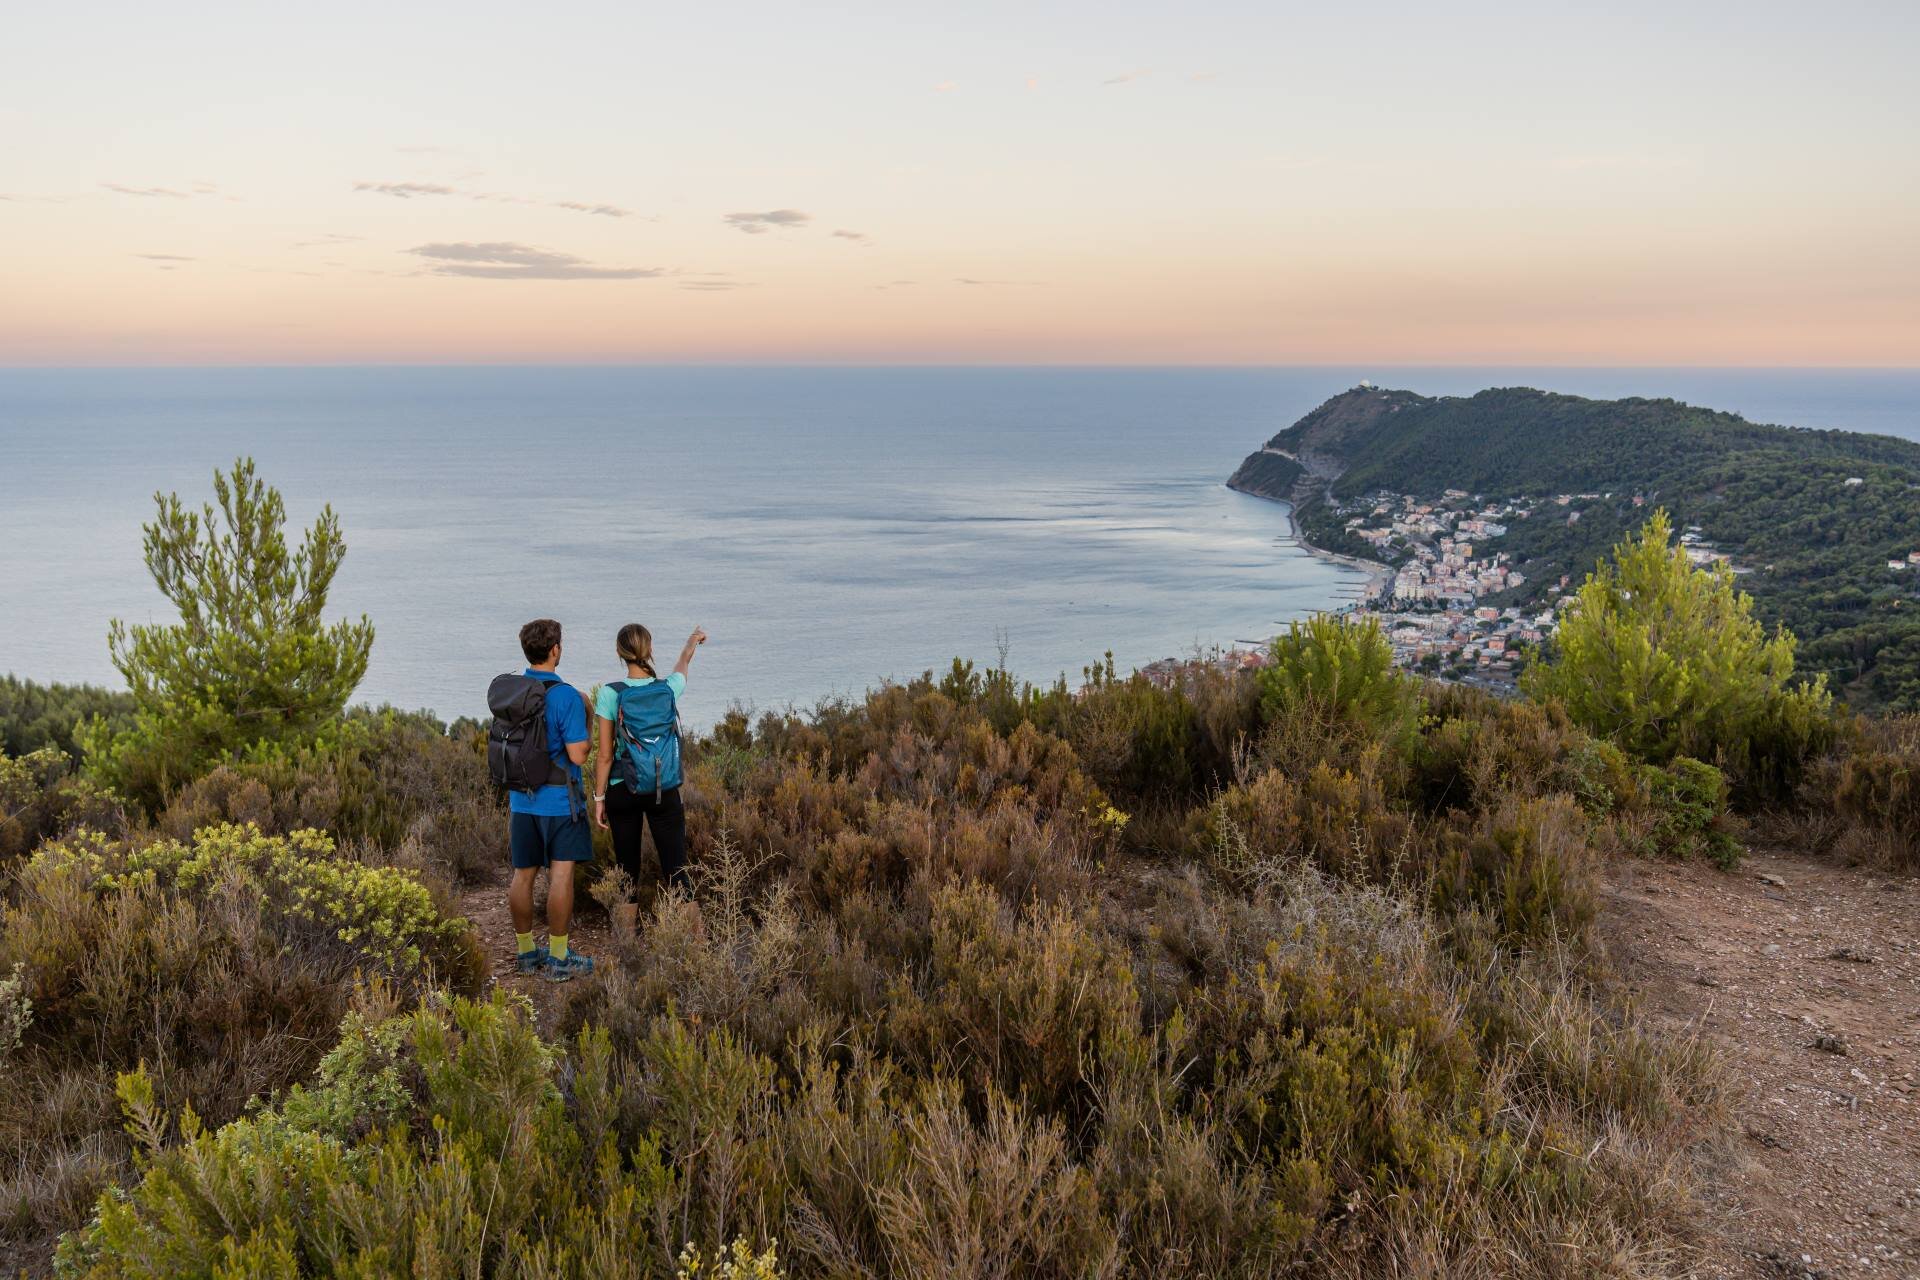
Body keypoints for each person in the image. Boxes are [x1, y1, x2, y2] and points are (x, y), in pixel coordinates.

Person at [504, 618, 595, 982]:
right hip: (561, 803)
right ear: (555, 650)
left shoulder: (514, 693)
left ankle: (526, 951)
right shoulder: (566, 697)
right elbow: (578, 755)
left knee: (522, 876)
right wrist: (587, 718)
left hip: (521, 801)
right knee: (561, 875)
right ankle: (559, 958)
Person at [592, 623, 706, 898]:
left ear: (620, 653)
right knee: (677, 870)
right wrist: (692, 641)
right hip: (663, 786)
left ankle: (626, 938)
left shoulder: (611, 693)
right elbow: (683, 665)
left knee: (626, 871)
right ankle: (694, 938)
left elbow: (605, 755)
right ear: (650, 649)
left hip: (623, 788)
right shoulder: (668, 688)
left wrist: (599, 798)